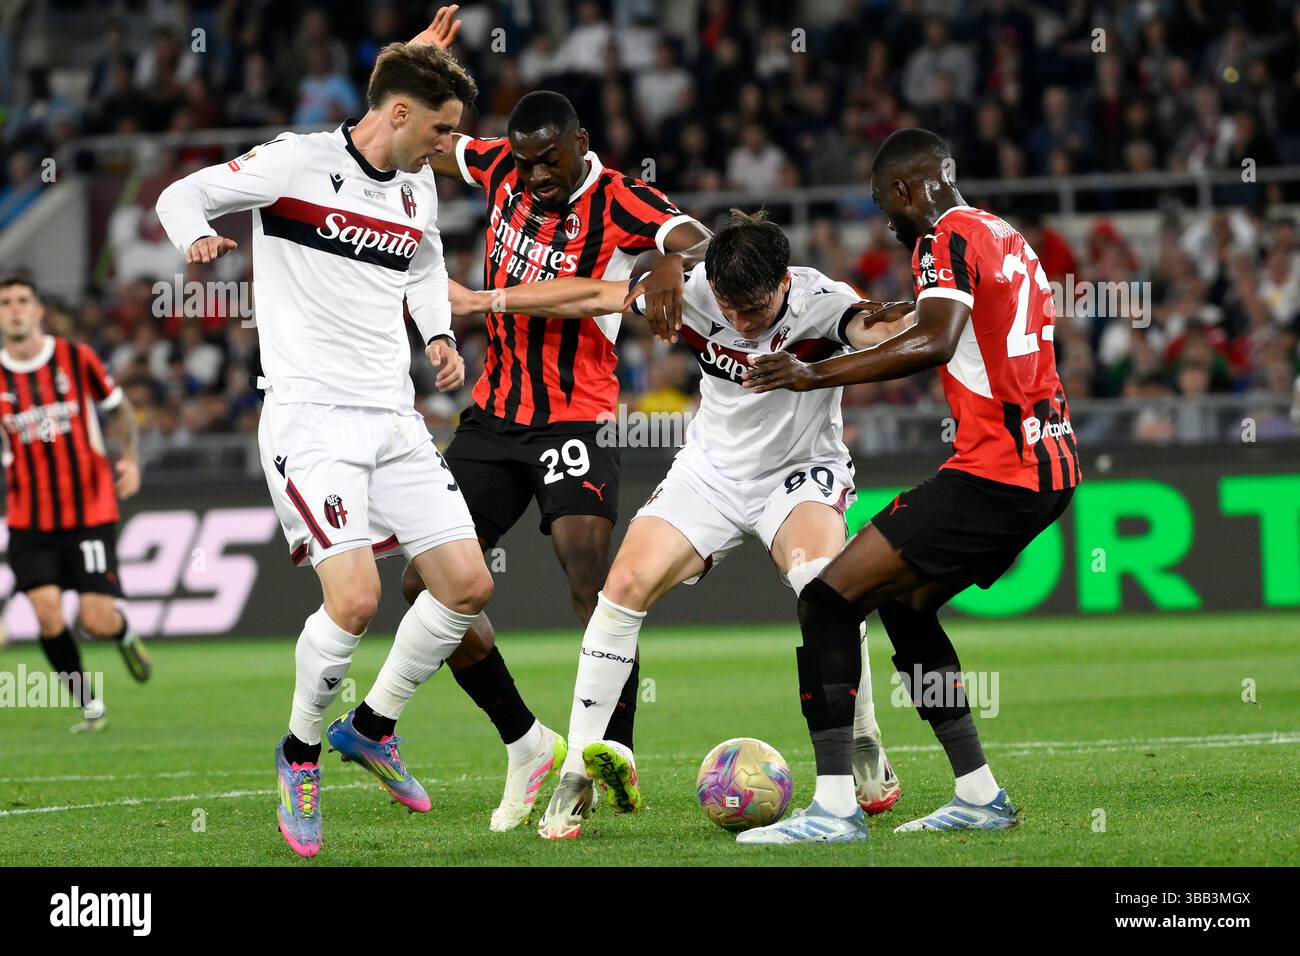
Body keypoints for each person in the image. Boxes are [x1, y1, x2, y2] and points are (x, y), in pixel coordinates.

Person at [452, 210, 911, 841]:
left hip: (800, 471)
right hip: (710, 475)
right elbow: (590, 293)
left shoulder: (823, 303)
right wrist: (485, 299)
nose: (742, 323)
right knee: (619, 593)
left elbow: (878, 332)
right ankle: (579, 772)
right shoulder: (692, 293)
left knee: (819, 583)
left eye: (754, 308)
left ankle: (862, 738)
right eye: (730, 308)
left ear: (784, 282)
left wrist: (913, 321)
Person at [156, 42, 493, 858]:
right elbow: (180, 192)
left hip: (394, 416)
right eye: (443, 130)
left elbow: (422, 262)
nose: (451, 148)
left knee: (468, 587)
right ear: (401, 114)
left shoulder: (416, 186)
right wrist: (197, 237)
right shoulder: (295, 162)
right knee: (354, 602)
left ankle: (372, 727)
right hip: (311, 421)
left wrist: (441, 334)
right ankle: (299, 752)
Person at [410, 9, 713, 833]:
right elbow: (416, 137)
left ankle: (612, 750)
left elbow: (694, 236)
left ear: (581, 143)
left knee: (594, 579)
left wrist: (673, 261)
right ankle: (522, 737)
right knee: (425, 588)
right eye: (527, 162)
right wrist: (419, 70)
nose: (536, 176)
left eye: (550, 161)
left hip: (573, 418)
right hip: (491, 421)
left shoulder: (618, 199)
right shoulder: (499, 166)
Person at [740, 128, 1080, 840]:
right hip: (1047, 463)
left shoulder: (942, 238)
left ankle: (833, 808)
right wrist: (907, 314)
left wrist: (813, 372)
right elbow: (970, 327)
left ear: (905, 190)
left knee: (829, 600)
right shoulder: (1004, 235)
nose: (889, 227)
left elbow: (937, 341)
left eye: (884, 208)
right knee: (906, 605)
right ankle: (979, 795)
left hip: (998, 471)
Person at [0, 277, 150, 733]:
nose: (14, 310)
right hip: (30, 517)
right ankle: (91, 707)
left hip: (89, 512)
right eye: (5, 303)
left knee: (96, 620)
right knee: (46, 612)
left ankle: (121, 634)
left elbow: (120, 409)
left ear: (39, 310)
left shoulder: (76, 358)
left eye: (23, 300)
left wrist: (129, 459)